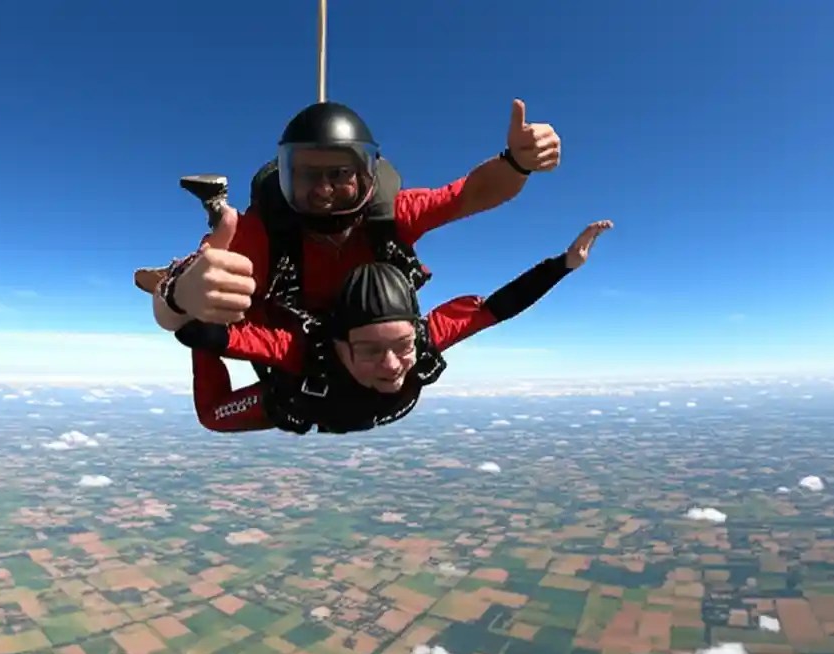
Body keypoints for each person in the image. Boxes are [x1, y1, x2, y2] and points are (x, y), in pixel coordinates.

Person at [144, 99, 563, 334]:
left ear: (366, 174)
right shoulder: (265, 230)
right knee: (204, 292)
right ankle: (194, 236)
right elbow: (176, 312)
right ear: (286, 176)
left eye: (340, 173)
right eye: (307, 175)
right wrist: (180, 295)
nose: (324, 190)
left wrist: (517, 163)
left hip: (359, 336)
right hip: (287, 334)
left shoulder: (392, 215)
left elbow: (472, 195)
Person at [173, 220, 614, 434]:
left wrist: (564, 265)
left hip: (329, 406)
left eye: (401, 345)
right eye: (368, 349)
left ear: (414, 333)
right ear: (339, 344)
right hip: (299, 398)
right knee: (214, 417)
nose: (391, 365)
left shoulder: (424, 341)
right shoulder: (302, 351)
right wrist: (191, 299)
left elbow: (500, 306)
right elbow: (209, 335)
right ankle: (220, 256)